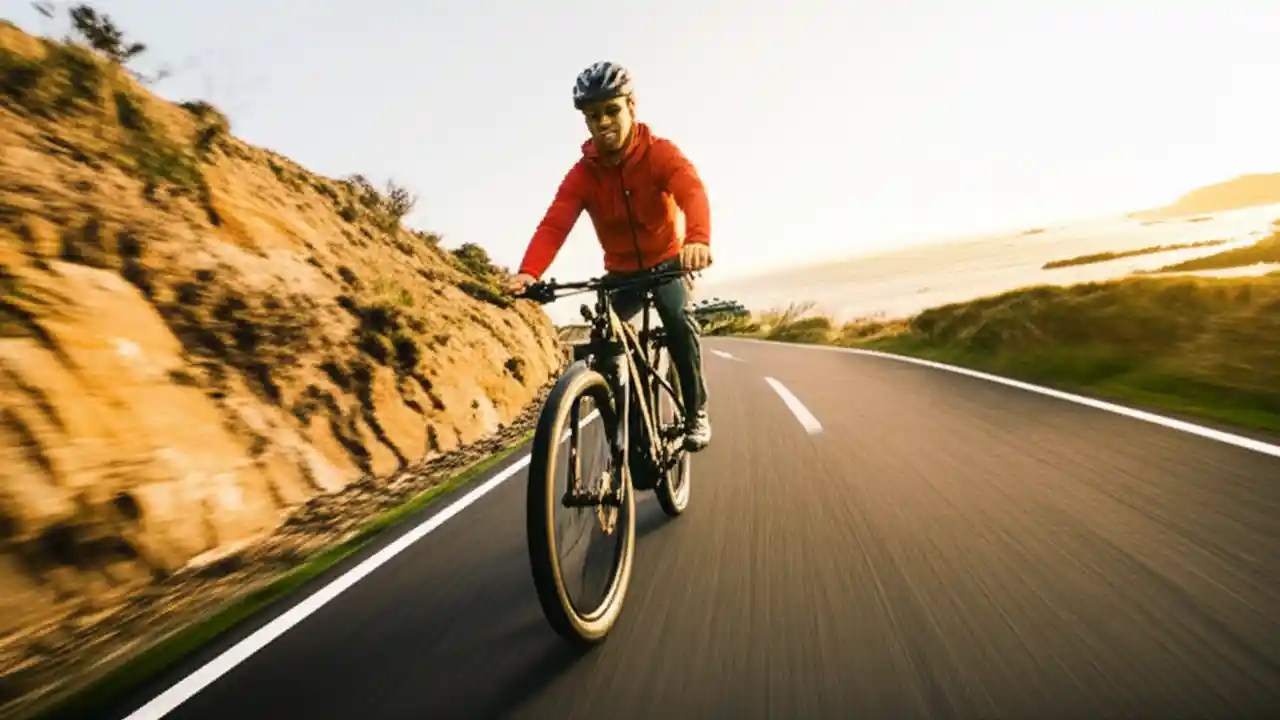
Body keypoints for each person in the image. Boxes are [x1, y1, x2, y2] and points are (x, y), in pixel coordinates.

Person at [507, 61, 713, 451]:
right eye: (592, 116)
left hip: (668, 263)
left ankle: (695, 412)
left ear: (631, 106)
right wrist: (529, 272)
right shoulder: (583, 175)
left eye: (611, 110)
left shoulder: (660, 154)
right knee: (607, 344)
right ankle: (629, 433)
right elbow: (555, 225)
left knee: (678, 319)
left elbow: (692, 192)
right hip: (621, 275)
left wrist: (698, 240)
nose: (603, 122)